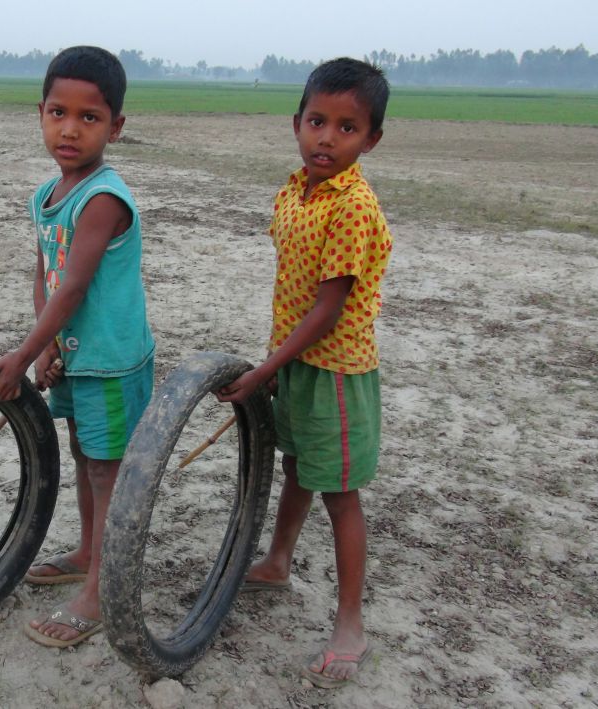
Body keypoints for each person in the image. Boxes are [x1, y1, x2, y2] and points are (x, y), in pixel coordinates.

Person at [216, 57, 392, 689]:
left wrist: (266, 368)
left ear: (370, 140)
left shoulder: (353, 208)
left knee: (340, 493)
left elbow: (328, 307)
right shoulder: (296, 192)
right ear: (296, 123)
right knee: (296, 465)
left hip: (333, 372)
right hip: (292, 358)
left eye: (347, 128)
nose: (327, 137)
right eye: (317, 121)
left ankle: (351, 624)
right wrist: (275, 363)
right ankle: (279, 559)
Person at [0, 46, 154, 649]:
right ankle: (87, 551)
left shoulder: (103, 198)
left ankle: (102, 588)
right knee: (85, 454)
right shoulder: (46, 196)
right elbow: (45, 276)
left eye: (90, 117)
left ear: (117, 127)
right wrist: (49, 341)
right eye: (58, 112)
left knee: (107, 470)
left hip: (109, 361)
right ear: (41, 112)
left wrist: (25, 354)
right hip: (77, 356)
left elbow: (77, 282)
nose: (70, 129)